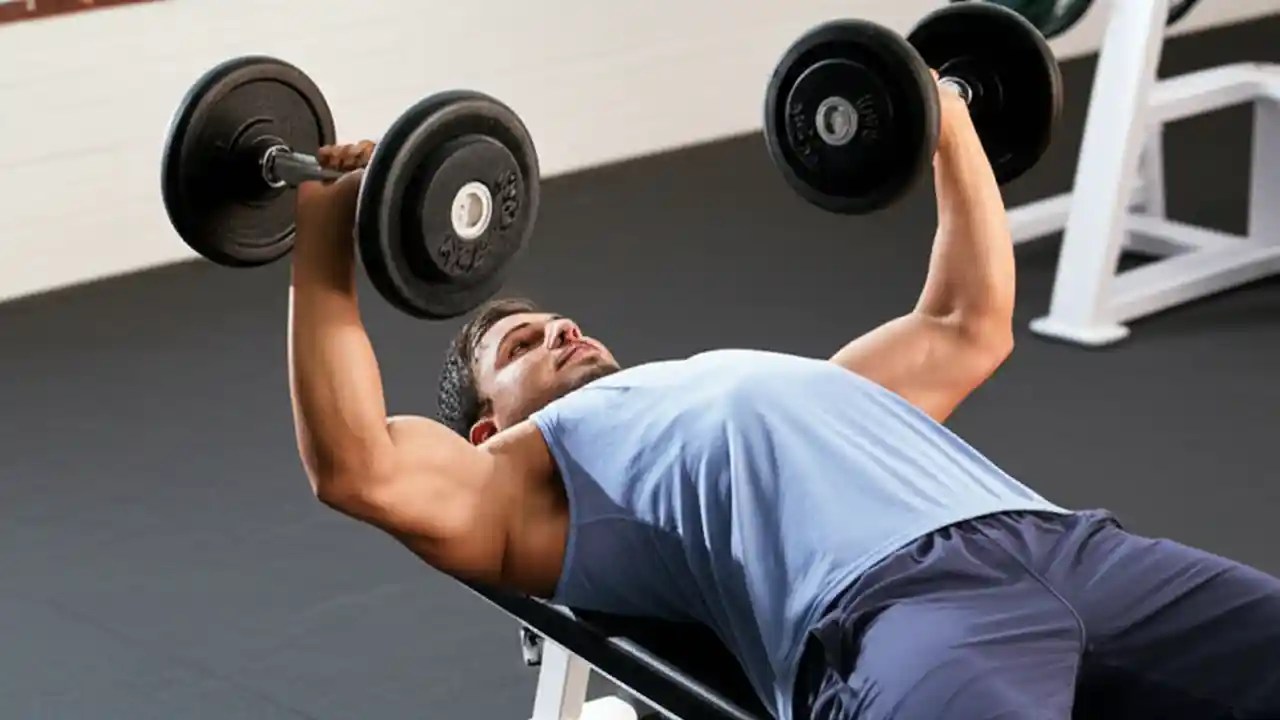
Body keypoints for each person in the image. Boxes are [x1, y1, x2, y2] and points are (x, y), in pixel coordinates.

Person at [285, 76, 1280, 720]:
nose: (558, 328)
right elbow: (357, 463)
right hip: (894, 615)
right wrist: (324, 239)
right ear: (489, 427)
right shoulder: (537, 475)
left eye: (555, 318)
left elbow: (965, 323)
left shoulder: (790, 388)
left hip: (1074, 550)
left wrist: (948, 123)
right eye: (519, 342)